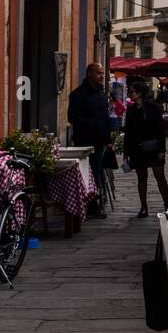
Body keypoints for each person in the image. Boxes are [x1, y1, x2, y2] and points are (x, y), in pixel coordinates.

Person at [67, 62, 110, 218]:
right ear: (89, 74)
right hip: (85, 141)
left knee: (97, 172)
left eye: (102, 73)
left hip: (100, 141)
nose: (101, 76)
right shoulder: (78, 94)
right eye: (98, 73)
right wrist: (92, 123)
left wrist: (108, 136)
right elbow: (72, 117)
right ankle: (91, 205)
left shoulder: (101, 94)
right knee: (89, 172)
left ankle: (95, 203)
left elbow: (105, 117)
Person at [123, 80, 168, 218]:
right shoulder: (131, 110)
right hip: (137, 148)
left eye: (132, 92)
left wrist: (162, 149)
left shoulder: (153, 108)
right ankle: (143, 206)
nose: (130, 94)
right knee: (141, 177)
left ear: (139, 93)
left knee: (159, 175)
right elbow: (129, 133)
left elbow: (160, 130)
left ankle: (167, 204)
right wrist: (126, 153)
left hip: (154, 147)